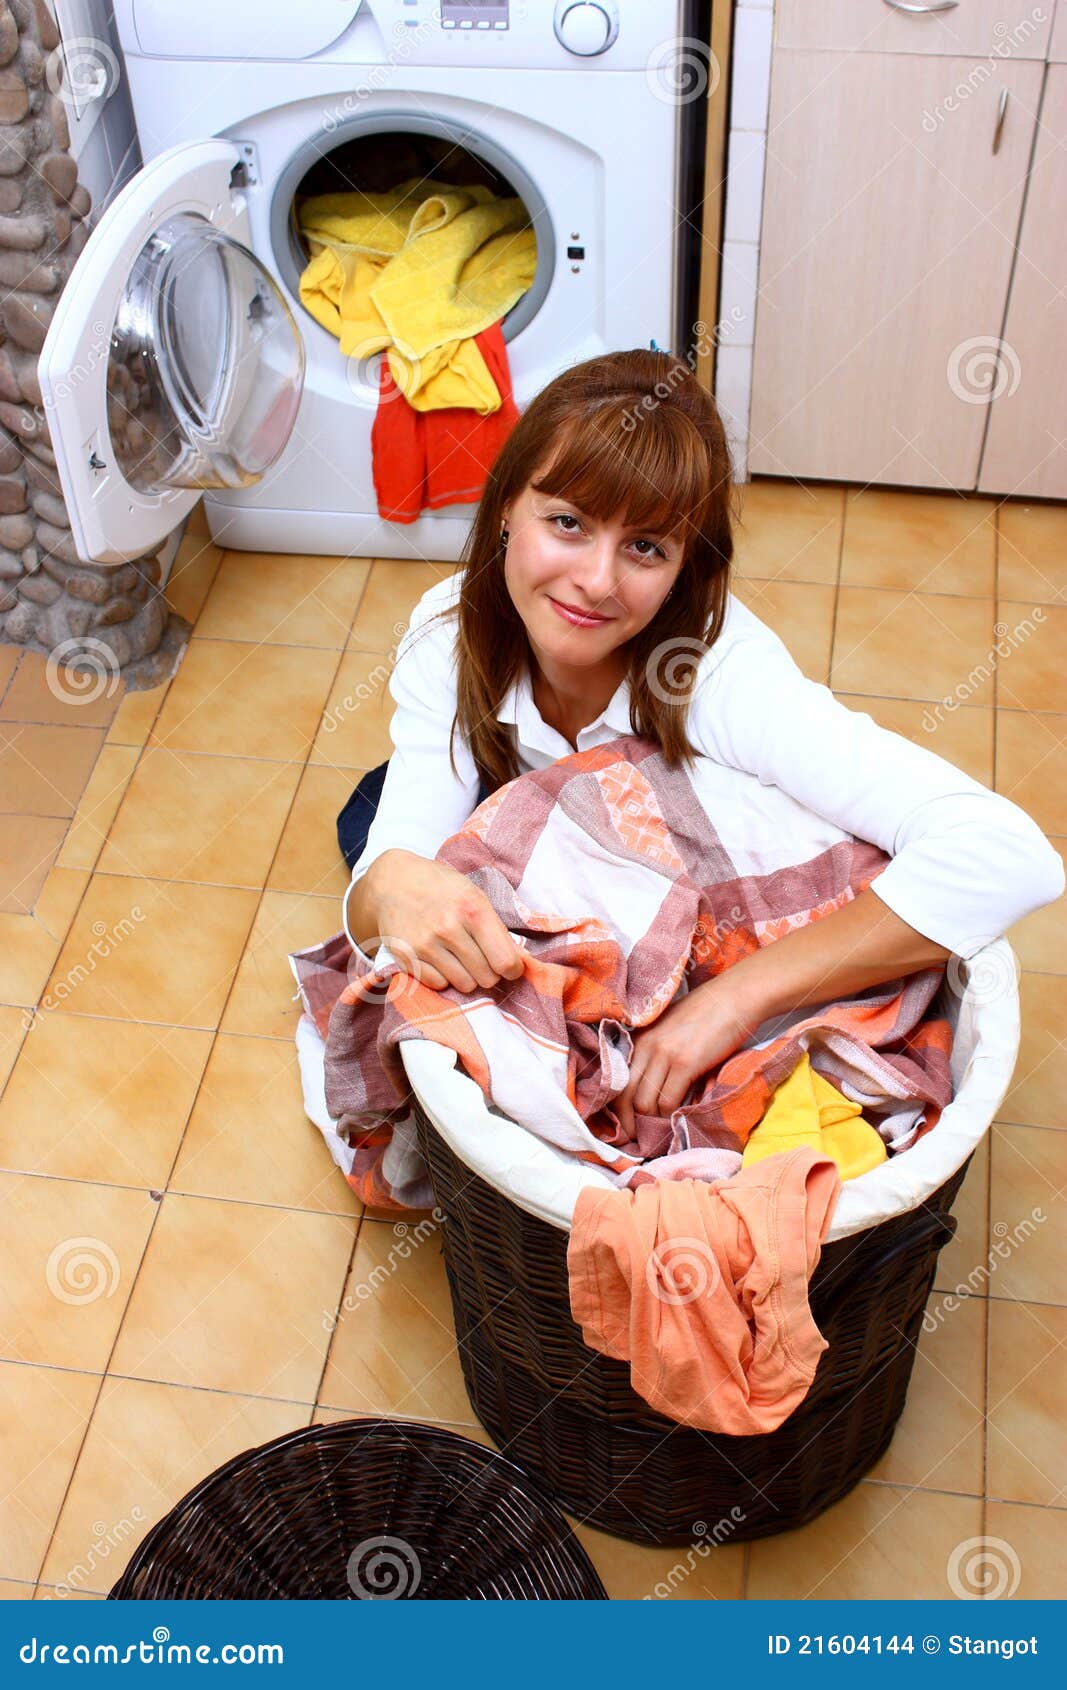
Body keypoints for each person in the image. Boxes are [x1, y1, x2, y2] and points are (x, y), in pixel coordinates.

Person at [338, 348, 1063, 1137]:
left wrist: (732, 998)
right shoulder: (448, 636)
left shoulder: (721, 679)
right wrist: (388, 886)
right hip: (547, 819)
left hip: (690, 877)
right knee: (373, 823)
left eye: (645, 547)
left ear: (686, 568)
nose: (596, 581)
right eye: (567, 523)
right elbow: (393, 875)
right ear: (506, 505)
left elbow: (1006, 854)